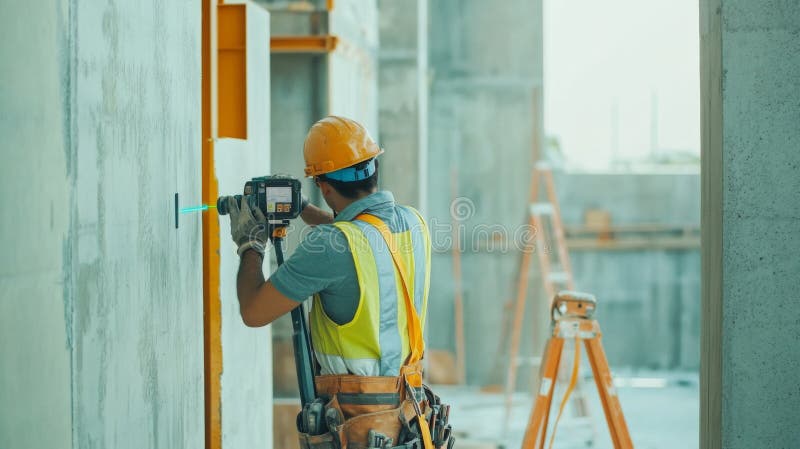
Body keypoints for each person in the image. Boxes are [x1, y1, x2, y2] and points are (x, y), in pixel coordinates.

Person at [223, 116, 451, 449]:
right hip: (409, 414)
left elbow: (254, 311)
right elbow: (366, 235)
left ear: (325, 186)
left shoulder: (330, 245)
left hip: (357, 421)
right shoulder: (414, 223)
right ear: (373, 167)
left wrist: (250, 245)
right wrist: (304, 210)